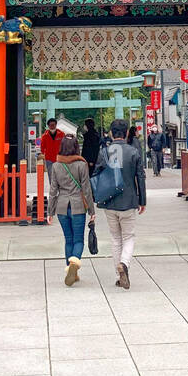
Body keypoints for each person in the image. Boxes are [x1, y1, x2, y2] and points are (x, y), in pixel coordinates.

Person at [98, 119, 146, 290]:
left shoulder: (104, 152)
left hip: (110, 202)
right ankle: (124, 264)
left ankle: (119, 275)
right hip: (129, 200)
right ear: (126, 133)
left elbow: (97, 173)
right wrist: (142, 200)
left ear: (111, 133)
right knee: (128, 237)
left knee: (115, 238)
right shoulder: (133, 151)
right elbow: (140, 176)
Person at [47, 135, 94, 286]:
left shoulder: (56, 165)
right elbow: (86, 189)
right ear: (76, 147)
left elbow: (53, 190)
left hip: (62, 207)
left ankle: (71, 271)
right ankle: (74, 265)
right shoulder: (81, 165)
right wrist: (92, 210)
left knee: (68, 240)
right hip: (78, 206)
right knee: (78, 240)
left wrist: (50, 212)